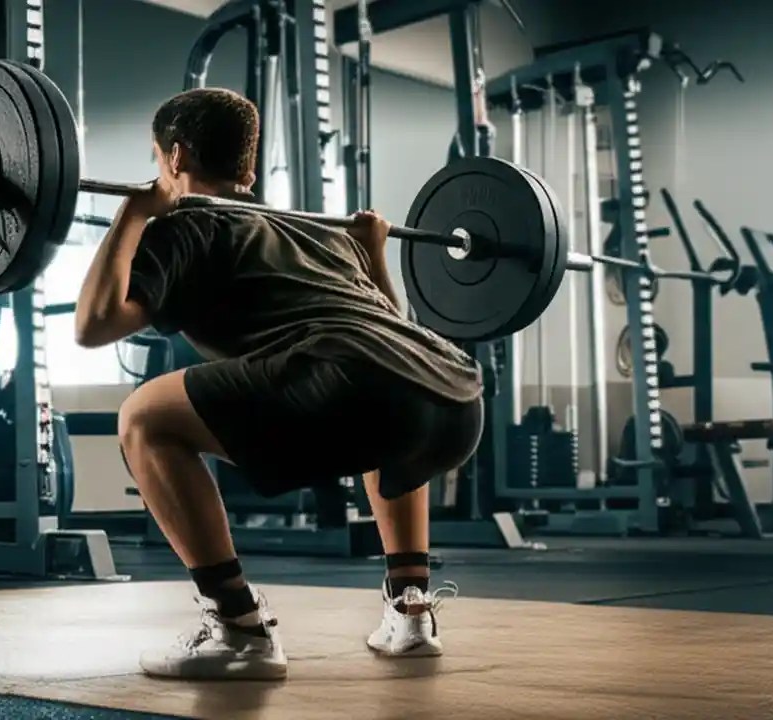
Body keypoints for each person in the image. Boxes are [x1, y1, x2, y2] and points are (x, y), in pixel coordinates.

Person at [74, 88, 484, 681]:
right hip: (455, 394)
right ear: (247, 165)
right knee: (384, 396)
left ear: (176, 155)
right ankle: (412, 612)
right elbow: (394, 334)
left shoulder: (184, 226)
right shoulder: (319, 232)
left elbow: (93, 325)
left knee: (142, 417)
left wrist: (133, 213)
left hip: (352, 378)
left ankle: (238, 630)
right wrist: (374, 259)